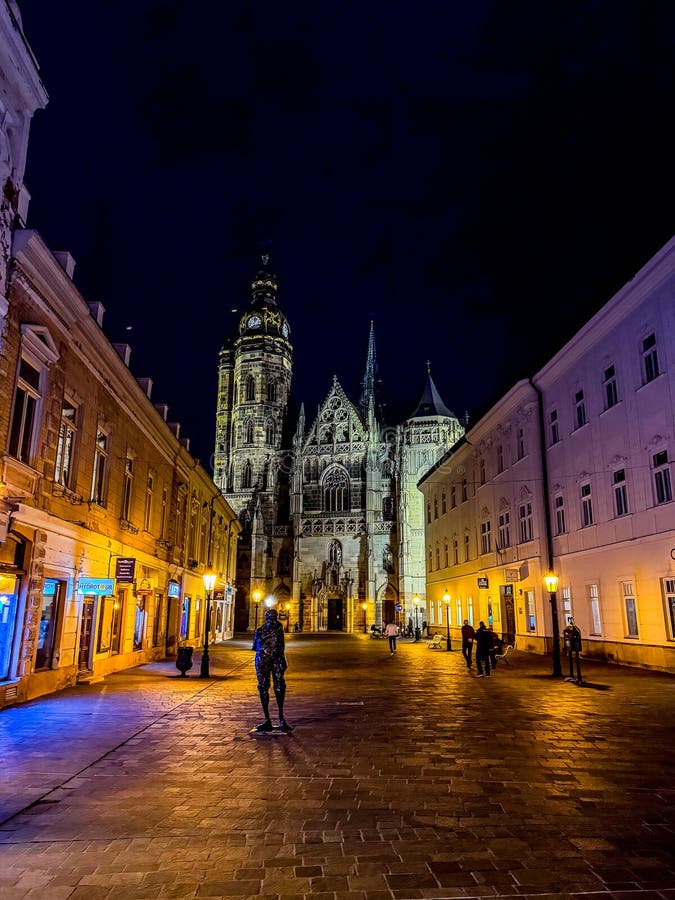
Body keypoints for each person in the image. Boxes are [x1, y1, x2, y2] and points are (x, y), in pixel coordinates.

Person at [251, 608, 291, 732]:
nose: (273, 621)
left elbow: (281, 646)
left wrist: (281, 659)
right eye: (271, 618)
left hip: (273, 661)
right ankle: (269, 720)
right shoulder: (261, 630)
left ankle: (280, 718)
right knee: (264, 688)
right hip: (264, 662)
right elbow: (256, 647)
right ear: (267, 619)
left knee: (279, 686)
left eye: (274, 618)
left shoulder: (278, 629)